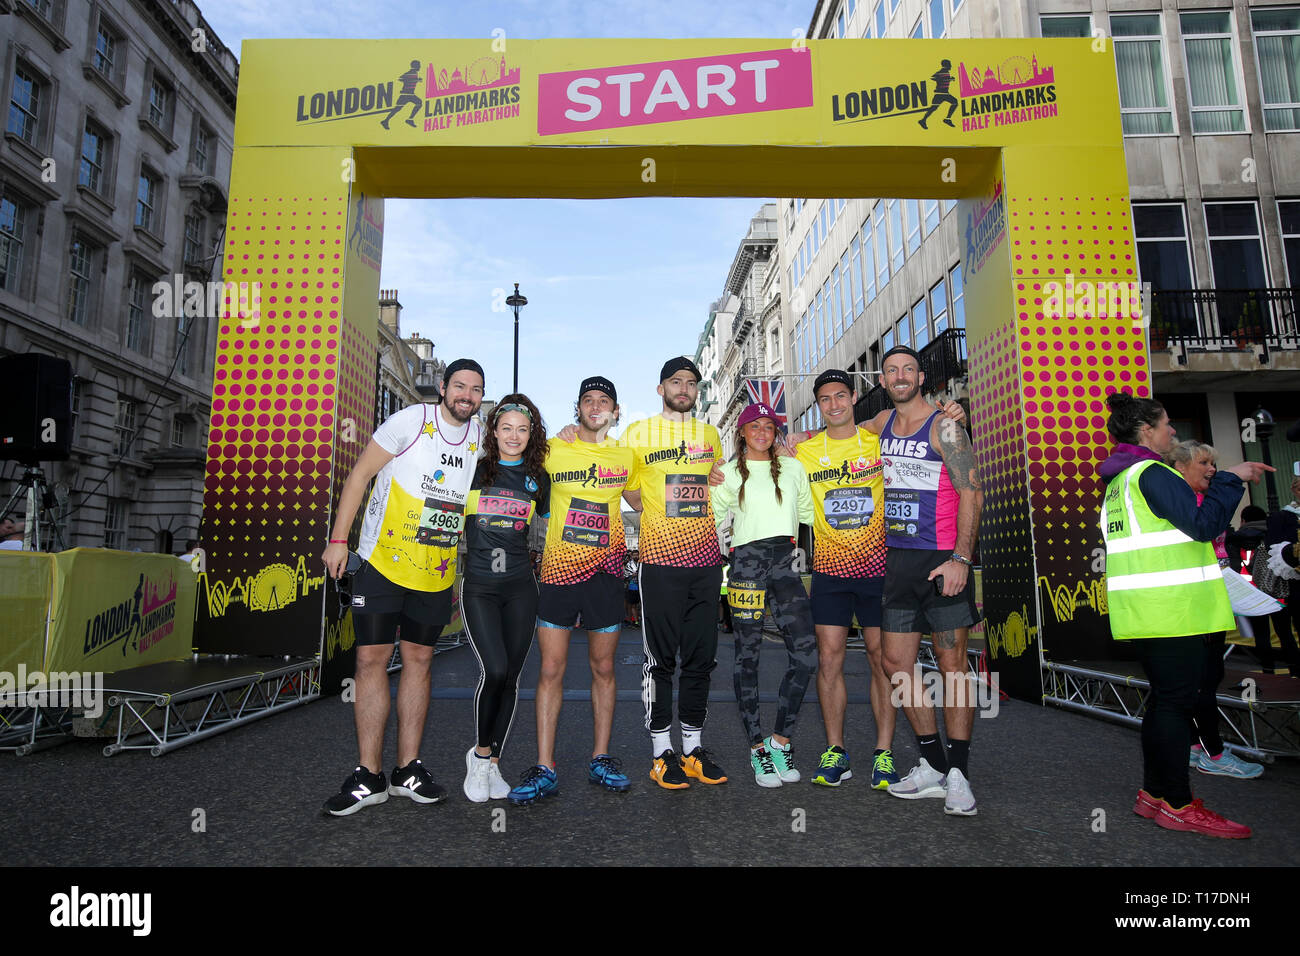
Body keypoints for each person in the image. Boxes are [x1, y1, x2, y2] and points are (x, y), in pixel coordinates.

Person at [720, 369, 965, 789]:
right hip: (830, 574)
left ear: (853, 398)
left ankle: (883, 753)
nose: (833, 405)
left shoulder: (880, 440)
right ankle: (836, 752)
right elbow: (765, 454)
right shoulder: (803, 451)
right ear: (818, 406)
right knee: (827, 660)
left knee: (882, 661)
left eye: (840, 396)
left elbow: (911, 424)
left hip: (878, 571)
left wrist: (948, 411)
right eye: (825, 399)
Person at [1099, 392, 1270, 838]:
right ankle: (1176, 802)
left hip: (1151, 612)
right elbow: (1202, 526)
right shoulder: (1151, 473)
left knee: (1164, 702)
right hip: (1175, 611)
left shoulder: (1121, 480)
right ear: (1146, 431)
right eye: (1167, 423)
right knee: (1175, 705)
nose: (1173, 430)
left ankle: (1156, 794)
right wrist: (1230, 481)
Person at [319, 359, 485, 816]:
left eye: (475, 390)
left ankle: (407, 769)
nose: (466, 396)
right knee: (371, 658)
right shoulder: (410, 420)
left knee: (419, 661)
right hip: (381, 564)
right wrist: (338, 540)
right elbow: (360, 475)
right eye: (459, 386)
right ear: (444, 388)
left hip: (433, 571)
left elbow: (523, 438)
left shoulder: (478, 435)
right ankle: (367, 775)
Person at [508, 376, 635, 804]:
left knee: (603, 669)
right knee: (550, 670)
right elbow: (508, 453)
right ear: (577, 409)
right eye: (588, 400)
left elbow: (645, 497)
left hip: (605, 572)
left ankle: (601, 757)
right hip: (560, 573)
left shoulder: (626, 454)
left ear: (615, 411)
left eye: (604, 400)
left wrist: (707, 474)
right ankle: (546, 766)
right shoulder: (552, 450)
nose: (595, 406)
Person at [869, 346, 984, 816]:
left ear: (920, 376)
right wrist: (794, 440)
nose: (900, 376)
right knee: (896, 662)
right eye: (892, 370)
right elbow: (835, 433)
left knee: (951, 661)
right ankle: (934, 765)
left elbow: (972, 491)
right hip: (898, 561)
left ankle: (959, 774)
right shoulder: (879, 424)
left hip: (942, 559)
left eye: (908, 370)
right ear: (883, 379)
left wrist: (961, 557)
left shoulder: (945, 424)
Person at [618, 357, 728, 789]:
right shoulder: (638, 433)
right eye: (676, 382)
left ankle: (693, 747)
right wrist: (655, 511)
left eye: (691, 382)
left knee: (701, 659)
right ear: (661, 388)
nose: (684, 388)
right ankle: (661, 751)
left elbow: (714, 481)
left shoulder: (710, 434)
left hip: (705, 563)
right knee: (659, 661)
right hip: (660, 562)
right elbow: (628, 489)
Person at [710, 402, 816, 787]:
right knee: (748, 656)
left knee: (805, 655)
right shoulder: (728, 472)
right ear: (741, 432)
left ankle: (780, 741)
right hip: (747, 565)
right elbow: (709, 511)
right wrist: (709, 478)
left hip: (787, 561)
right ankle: (757, 749)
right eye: (753, 426)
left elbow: (808, 514)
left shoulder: (792, 467)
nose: (761, 432)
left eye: (768, 426)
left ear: (775, 432)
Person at [460, 394, 551, 803]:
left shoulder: (539, 480)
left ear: (531, 436)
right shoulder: (473, 472)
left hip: (520, 588)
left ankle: (494, 763)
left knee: (512, 677)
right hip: (480, 585)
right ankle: (478, 757)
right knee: (493, 670)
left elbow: (546, 531)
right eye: (506, 428)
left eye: (522, 430)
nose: (514, 436)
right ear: (493, 431)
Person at [1166, 440, 1263, 780]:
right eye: (1204, 462)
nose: (1212, 469)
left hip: (1209, 597)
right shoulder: (1184, 503)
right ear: (1180, 467)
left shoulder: (1200, 500)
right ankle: (1214, 753)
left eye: (1214, 463)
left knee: (1205, 678)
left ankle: (1197, 747)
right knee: (1203, 681)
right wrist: (1232, 479)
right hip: (1194, 603)